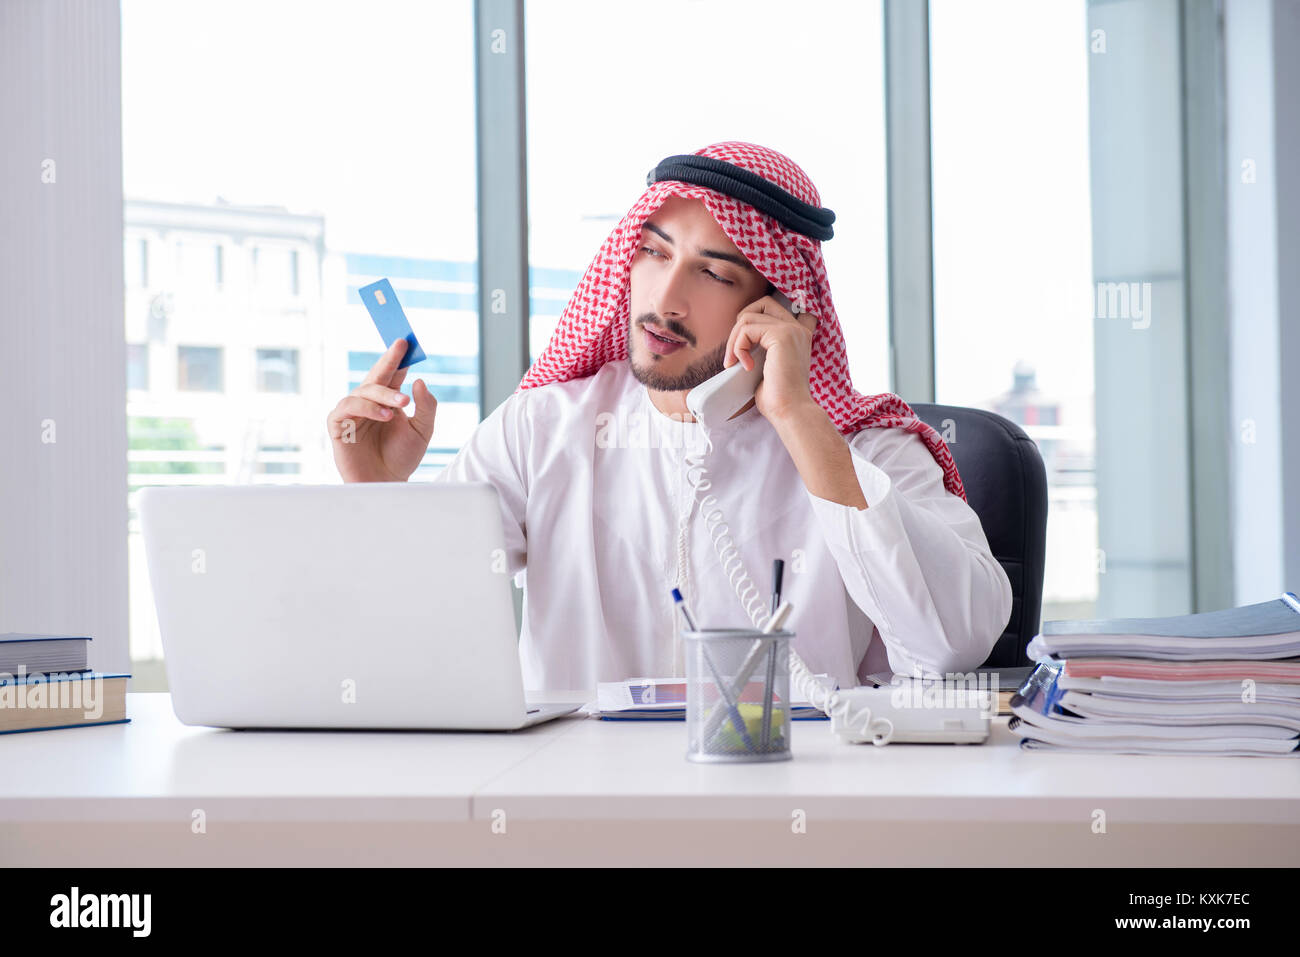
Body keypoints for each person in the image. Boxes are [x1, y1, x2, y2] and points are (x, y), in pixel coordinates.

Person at [327, 141, 1012, 694]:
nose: (665, 299)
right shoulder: (542, 429)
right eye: (653, 253)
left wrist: (801, 420)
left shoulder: (869, 450)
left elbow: (951, 644)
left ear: (782, 313)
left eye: (713, 273)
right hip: (571, 817)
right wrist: (378, 499)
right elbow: (408, 635)